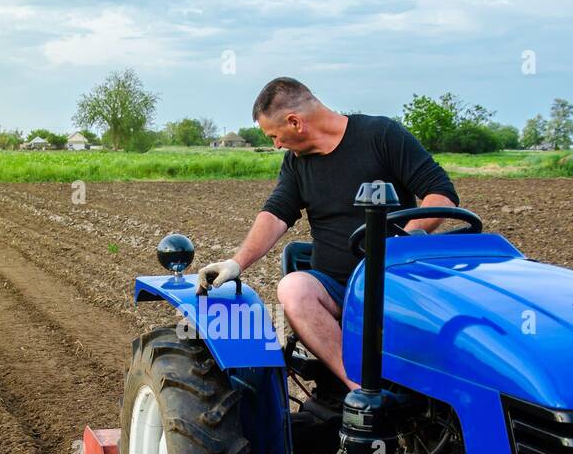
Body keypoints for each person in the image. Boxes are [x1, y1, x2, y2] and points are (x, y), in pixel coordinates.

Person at [197, 77, 460, 390]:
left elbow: (441, 195)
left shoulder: (381, 136)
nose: (276, 145)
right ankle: (362, 389)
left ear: (295, 122)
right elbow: (276, 213)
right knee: (294, 288)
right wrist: (237, 263)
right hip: (335, 289)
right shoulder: (296, 163)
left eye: (275, 136)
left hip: (393, 282)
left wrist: (401, 238)